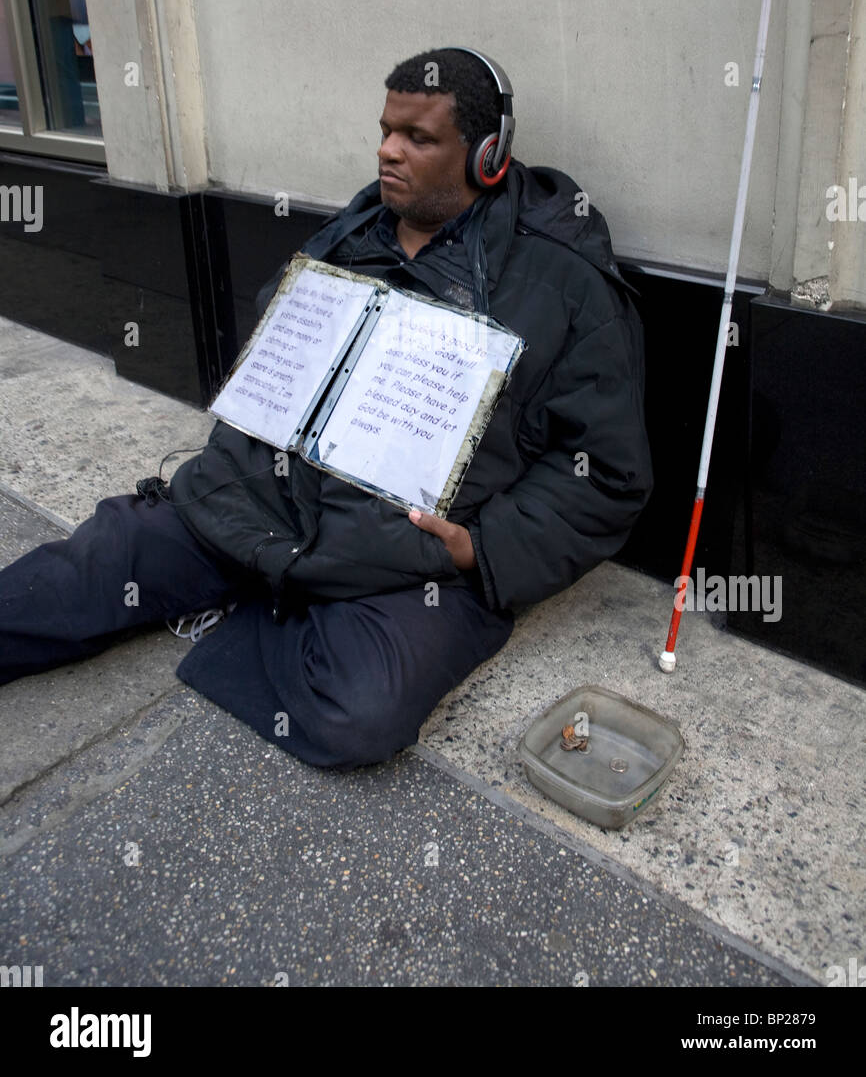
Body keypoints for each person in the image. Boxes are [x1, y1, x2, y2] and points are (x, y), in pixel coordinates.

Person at [0, 48, 653, 769]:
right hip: (257, 499)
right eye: (385, 130)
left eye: (418, 138)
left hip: (407, 562)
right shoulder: (355, 228)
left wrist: (481, 550)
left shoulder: (565, 288)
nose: (387, 151)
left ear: (487, 157)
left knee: (356, 716)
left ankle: (257, 602)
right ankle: (259, 582)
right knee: (75, 579)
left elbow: (604, 477)